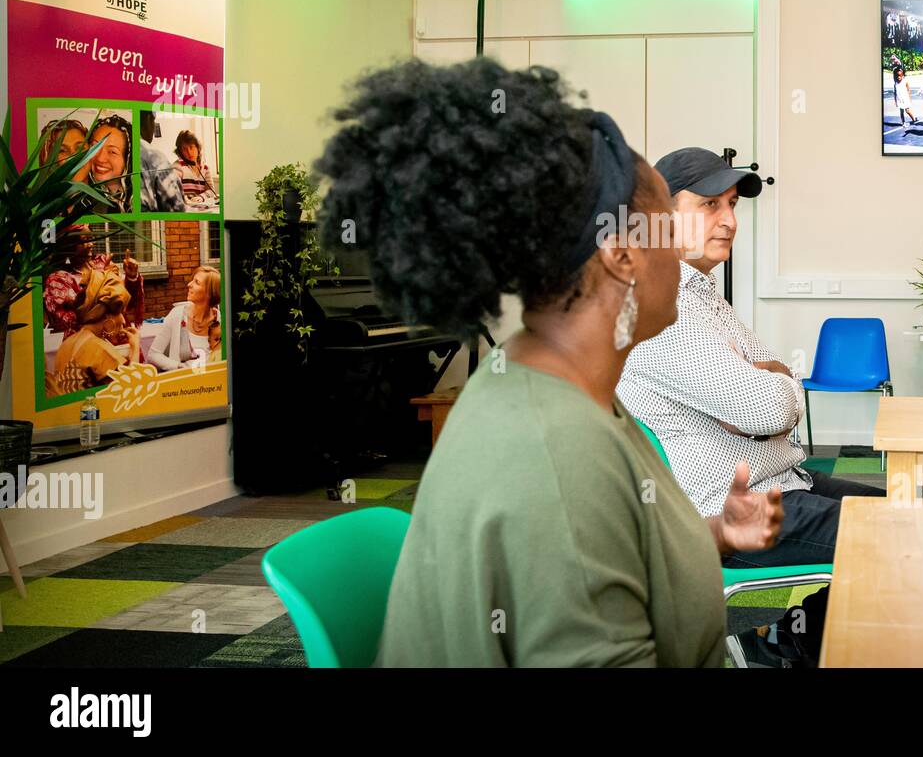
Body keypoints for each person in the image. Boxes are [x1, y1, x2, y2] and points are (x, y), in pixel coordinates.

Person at [319, 59, 782, 667]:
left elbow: (613, 543)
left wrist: (715, 532)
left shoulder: (563, 383)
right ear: (622, 255)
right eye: (667, 225)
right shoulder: (558, 453)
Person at [619, 147, 884, 668]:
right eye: (710, 205)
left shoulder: (702, 295)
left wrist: (764, 388)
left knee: (902, 514)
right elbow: (767, 409)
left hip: (783, 481)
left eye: (733, 204)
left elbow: (775, 382)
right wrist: (765, 391)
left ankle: (789, 643)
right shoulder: (656, 302)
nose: (730, 221)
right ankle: (796, 649)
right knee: (894, 540)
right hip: (728, 510)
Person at [47, 258, 141, 396]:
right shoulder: (100, 350)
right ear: (107, 317)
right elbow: (130, 393)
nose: (123, 320)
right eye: (120, 313)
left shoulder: (67, 343)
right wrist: (136, 349)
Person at [148, 266, 222, 370]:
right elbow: (153, 355)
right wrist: (179, 367)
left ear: (210, 293)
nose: (189, 284)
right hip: (183, 383)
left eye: (196, 282)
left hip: (211, 383)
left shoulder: (219, 319)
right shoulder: (177, 315)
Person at [86, 114, 133, 213]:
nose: (100, 158)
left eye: (112, 152)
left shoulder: (137, 199)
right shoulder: (82, 197)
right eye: (96, 147)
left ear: (127, 160)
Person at [171, 130, 218, 209]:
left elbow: (211, 190)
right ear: (180, 152)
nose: (189, 152)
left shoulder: (205, 168)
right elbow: (172, 191)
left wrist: (201, 197)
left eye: (191, 147)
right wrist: (188, 199)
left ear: (197, 147)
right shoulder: (177, 167)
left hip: (203, 209)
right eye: (184, 149)